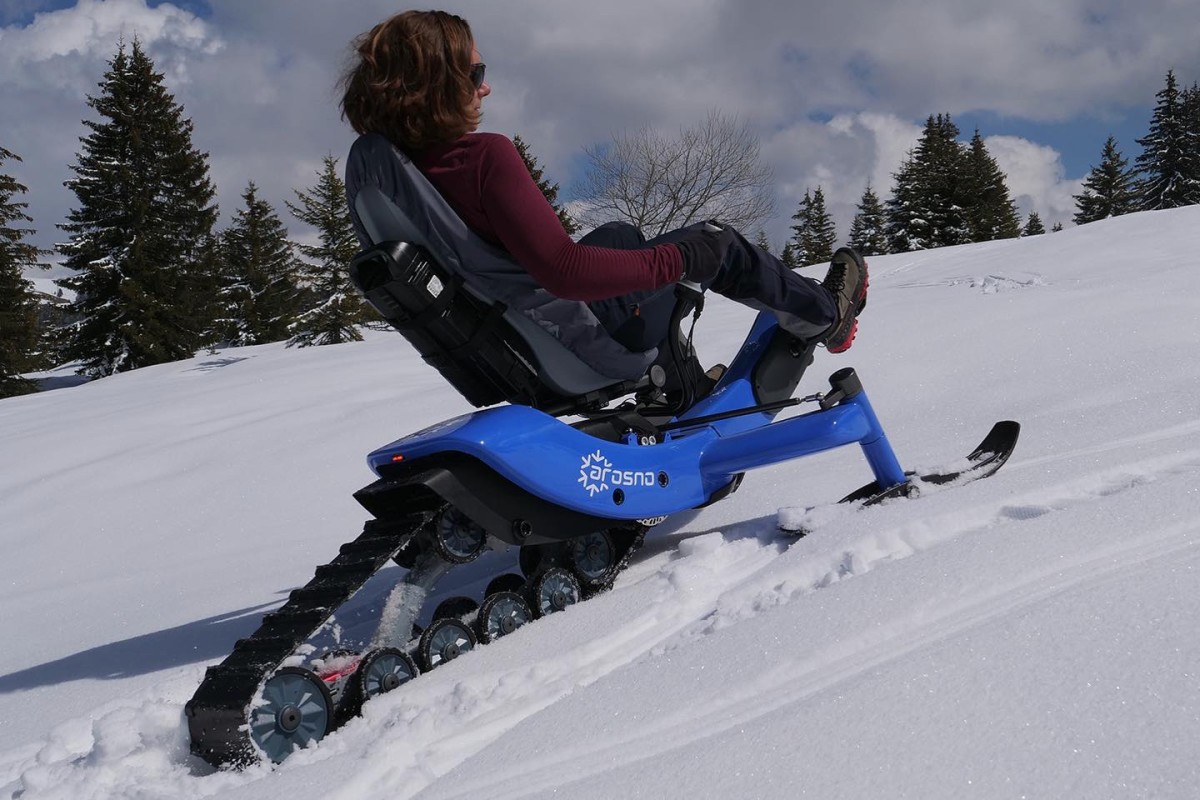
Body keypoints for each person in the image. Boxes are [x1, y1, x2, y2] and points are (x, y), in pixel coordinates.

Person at [338, 10, 867, 384]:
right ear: (436, 83)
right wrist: (685, 256)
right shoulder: (483, 158)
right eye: (475, 73)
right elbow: (565, 272)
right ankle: (826, 316)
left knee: (618, 236)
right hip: (580, 345)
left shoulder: (387, 172)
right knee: (717, 243)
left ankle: (674, 381)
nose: (485, 87)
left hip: (503, 348)